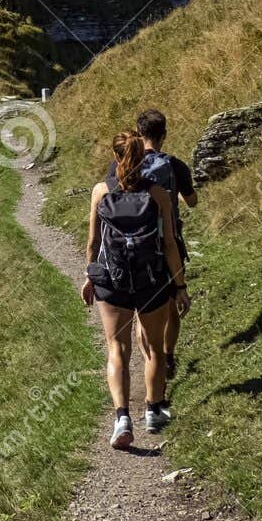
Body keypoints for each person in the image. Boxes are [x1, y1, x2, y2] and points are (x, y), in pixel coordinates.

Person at [83, 131, 189, 450]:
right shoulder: (157, 193)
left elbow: (93, 243)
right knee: (154, 348)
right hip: (152, 280)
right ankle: (154, 411)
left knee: (117, 350)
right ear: (143, 159)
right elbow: (169, 243)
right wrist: (179, 285)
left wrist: (91, 276)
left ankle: (122, 419)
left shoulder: (101, 191)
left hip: (112, 282)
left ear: (115, 157)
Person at [136, 108, 196, 378]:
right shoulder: (175, 165)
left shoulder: (126, 163)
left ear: (139, 133)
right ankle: (168, 357)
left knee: (143, 308)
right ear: (165, 135)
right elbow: (192, 201)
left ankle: (150, 361)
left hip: (136, 245)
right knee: (171, 305)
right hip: (170, 241)